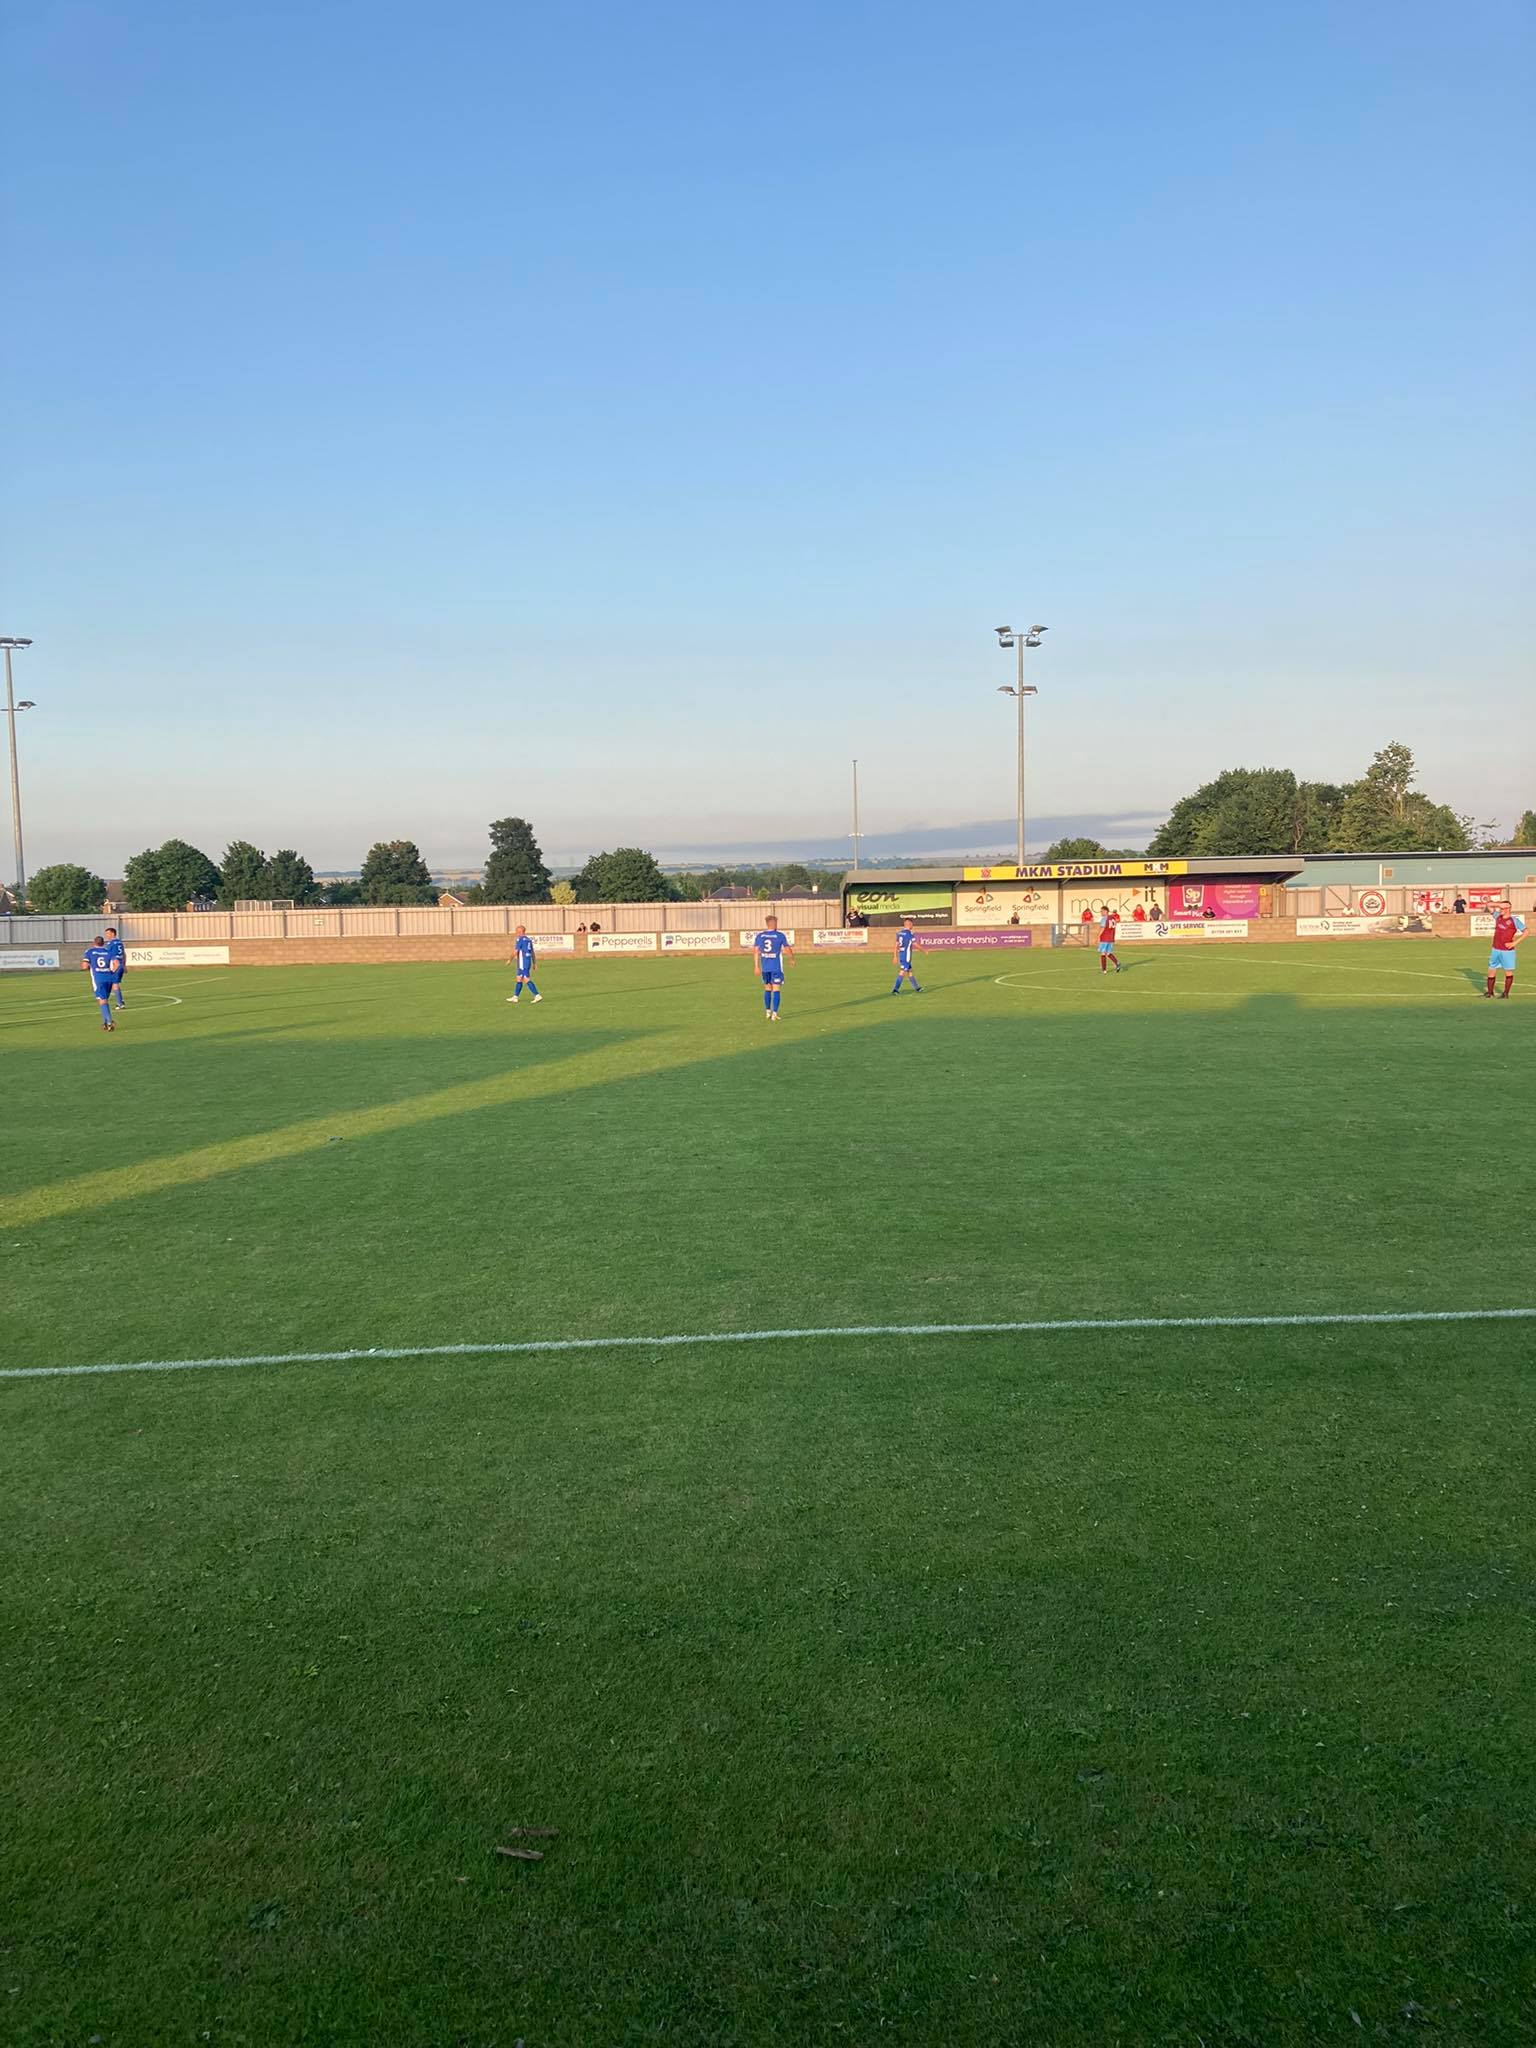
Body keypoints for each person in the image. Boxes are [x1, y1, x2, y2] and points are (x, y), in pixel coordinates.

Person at [752, 914, 794, 1020]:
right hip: (776, 967)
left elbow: (756, 951)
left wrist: (756, 966)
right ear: (775, 924)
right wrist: (792, 959)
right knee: (776, 989)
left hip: (765, 967)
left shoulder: (760, 936)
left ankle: (767, 1012)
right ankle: (774, 1014)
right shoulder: (780, 935)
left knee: (767, 988)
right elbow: (787, 949)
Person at [1484, 899, 1526, 999]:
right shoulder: (1498, 916)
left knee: (1508, 972)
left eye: (1502, 908)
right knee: (1491, 971)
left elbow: (1526, 931)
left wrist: (1514, 943)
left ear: (1508, 909)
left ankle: (1505, 994)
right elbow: (1488, 905)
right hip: (1495, 949)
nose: (1500, 909)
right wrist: (1500, 904)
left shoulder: (1514, 920)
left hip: (1507, 951)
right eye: (1500, 908)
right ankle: (1490, 993)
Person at [81, 936, 118, 1031]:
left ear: (94, 943)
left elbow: (84, 966)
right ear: (103, 943)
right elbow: (116, 963)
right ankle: (105, 1023)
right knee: (103, 1000)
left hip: (98, 979)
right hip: (109, 978)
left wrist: (88, 967)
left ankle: (110, 1022)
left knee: (102, 1000)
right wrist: (112, 972)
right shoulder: (108, 952)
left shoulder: (89, 951)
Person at [506, 925, 543, 1004]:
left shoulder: (520, 939)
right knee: (519, 978)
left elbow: (516, 951)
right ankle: (515, 997)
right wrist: (534, 963)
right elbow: (532, 952)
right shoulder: (528, 940)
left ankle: (537, 995)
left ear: (520, 931)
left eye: (517, 931)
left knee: (525, 979)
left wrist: (510, 960)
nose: (516, 933)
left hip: (523, 963)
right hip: (527, 961)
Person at [890, 918, 923, 995]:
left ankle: (917, 988)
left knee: (910, 971)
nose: (913, 926)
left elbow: (896, 945)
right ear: (909, 924)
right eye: (912, 924)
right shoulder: (910, 934)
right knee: (902, 972)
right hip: (906, 956)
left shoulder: (899, 933)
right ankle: (895, 989)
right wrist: (924, 950)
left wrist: (895, 956)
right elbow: (915, 944)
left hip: (901, 954)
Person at [102, 925, 127, 1009]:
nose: (107, 936)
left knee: (114, 984)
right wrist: (124, 965)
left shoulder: (110, 944)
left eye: (108, 934)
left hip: (115, 965)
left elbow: (107, 954)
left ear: (113, 933)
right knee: (115, 983)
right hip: (120, 965)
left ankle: (120, 1004)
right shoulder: (119, 942)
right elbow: (124, 954)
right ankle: (120, 1000)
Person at [1097, 904, 1122, 976]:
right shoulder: (1112, 918)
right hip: (1111, 938)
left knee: (1103, 953)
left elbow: (1103, 928)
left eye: (1102, 911)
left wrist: (1098, 937)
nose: (1101, 913)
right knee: (1108, 953)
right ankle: (1117, 963)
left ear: (1105, 911)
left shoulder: (1104, 919)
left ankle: (1104, 970)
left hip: (1104, 938)